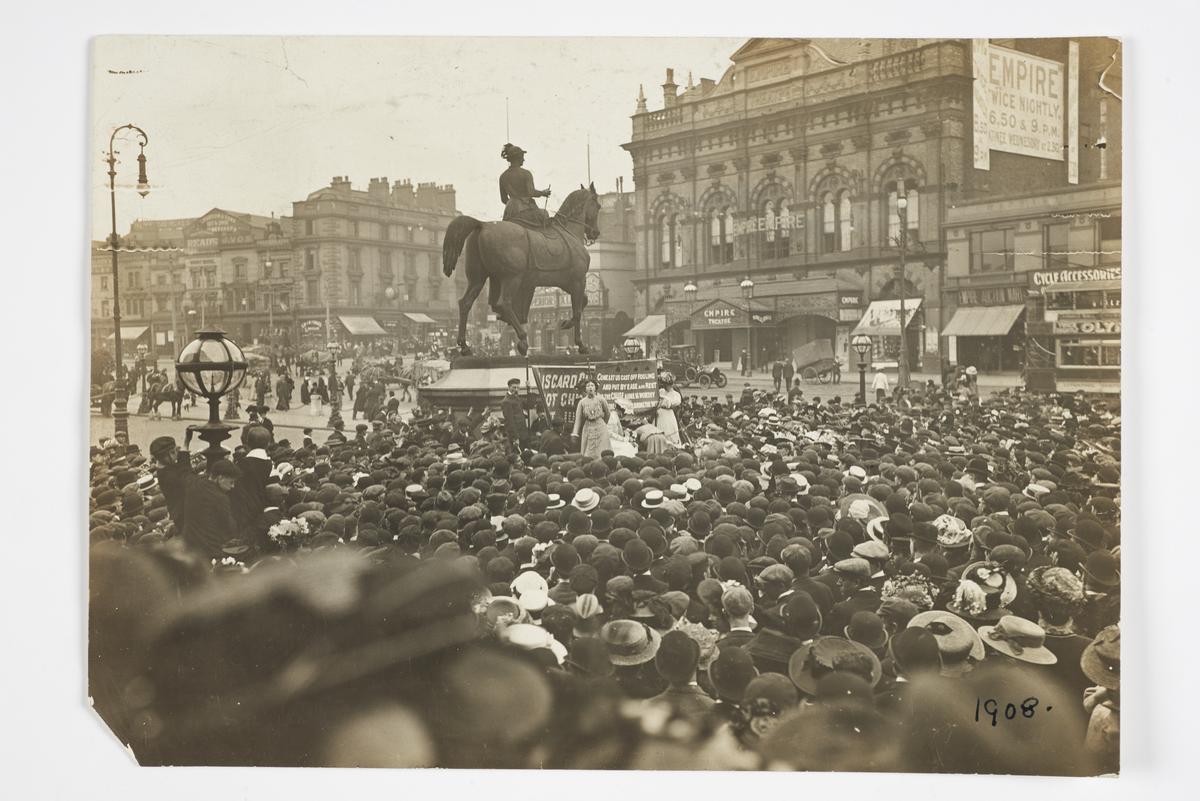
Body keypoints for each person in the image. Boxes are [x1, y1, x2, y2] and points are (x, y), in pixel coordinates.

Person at [181, 458, 241, 559]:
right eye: (231, 482)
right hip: (210, 548)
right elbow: (229, 527)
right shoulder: (220, 498)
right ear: (220, 478)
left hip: (189, 543)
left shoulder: (195, 483)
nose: (233, 486)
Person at [499, 143, 551, 227]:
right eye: (522, 157)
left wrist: (513, 204)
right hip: (525, 209)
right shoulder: (526, 173)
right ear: (518, 158)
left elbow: (503, 199)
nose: (523, 160)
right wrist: (543, 193)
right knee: (545, 215)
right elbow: (531, 192)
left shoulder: (503, 176)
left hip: (509, 211)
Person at [572, 380, 611, 458]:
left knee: (602, 450)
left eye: (592, 385)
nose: (590, 387)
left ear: (595, 388)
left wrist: (603, 424)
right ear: (585, 389)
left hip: (600, 427)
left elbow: (608, 413)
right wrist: (575, 433)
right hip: (588, 427)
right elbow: (578, 419)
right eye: (588, 386)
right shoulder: (582, 402)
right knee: (589, 450)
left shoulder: (601, 400)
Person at [502, 378, 531, 453]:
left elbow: (530, 405)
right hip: (517, 436)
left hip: (523, 434)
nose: (516, 389)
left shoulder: (517, 398)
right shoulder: (506, 401)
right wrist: (515, 438)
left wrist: (529, 389)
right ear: (509, 387)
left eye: (518, 387)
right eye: (514, 387)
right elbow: (510, 421)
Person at [656, 373, 682, 447]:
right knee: (658, 430)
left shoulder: (676, 394)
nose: (665, 386)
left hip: (668, 415)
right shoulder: (661, 391)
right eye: (664, 384)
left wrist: (663, 400)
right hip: (659, 413)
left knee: (669, 431)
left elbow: (671, 403)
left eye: (666, 384)